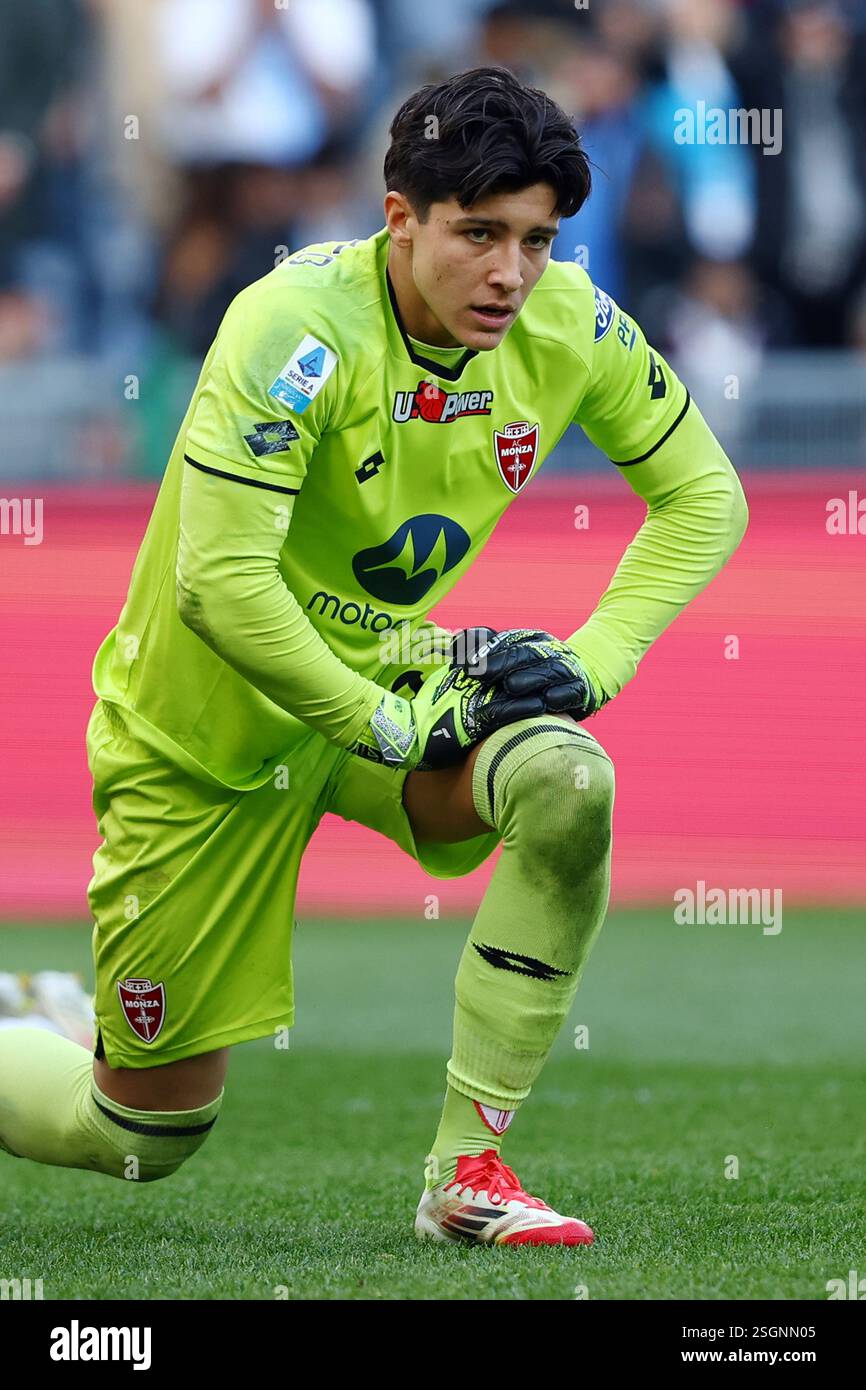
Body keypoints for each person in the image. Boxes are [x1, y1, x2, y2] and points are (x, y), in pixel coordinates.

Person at [0, 66, 747, 1246]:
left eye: (539, 240)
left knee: (565, 779)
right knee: (142, 1138)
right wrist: (383, 723)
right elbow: (219, 583)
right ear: (399, 219)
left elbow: (703, 497)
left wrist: (596, 660)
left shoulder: (568, 322)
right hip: (206, 734)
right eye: (478, 235)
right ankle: (35, 1021)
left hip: (396, 680)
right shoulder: (291, 327)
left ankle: (466, 1171)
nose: (510, 274)